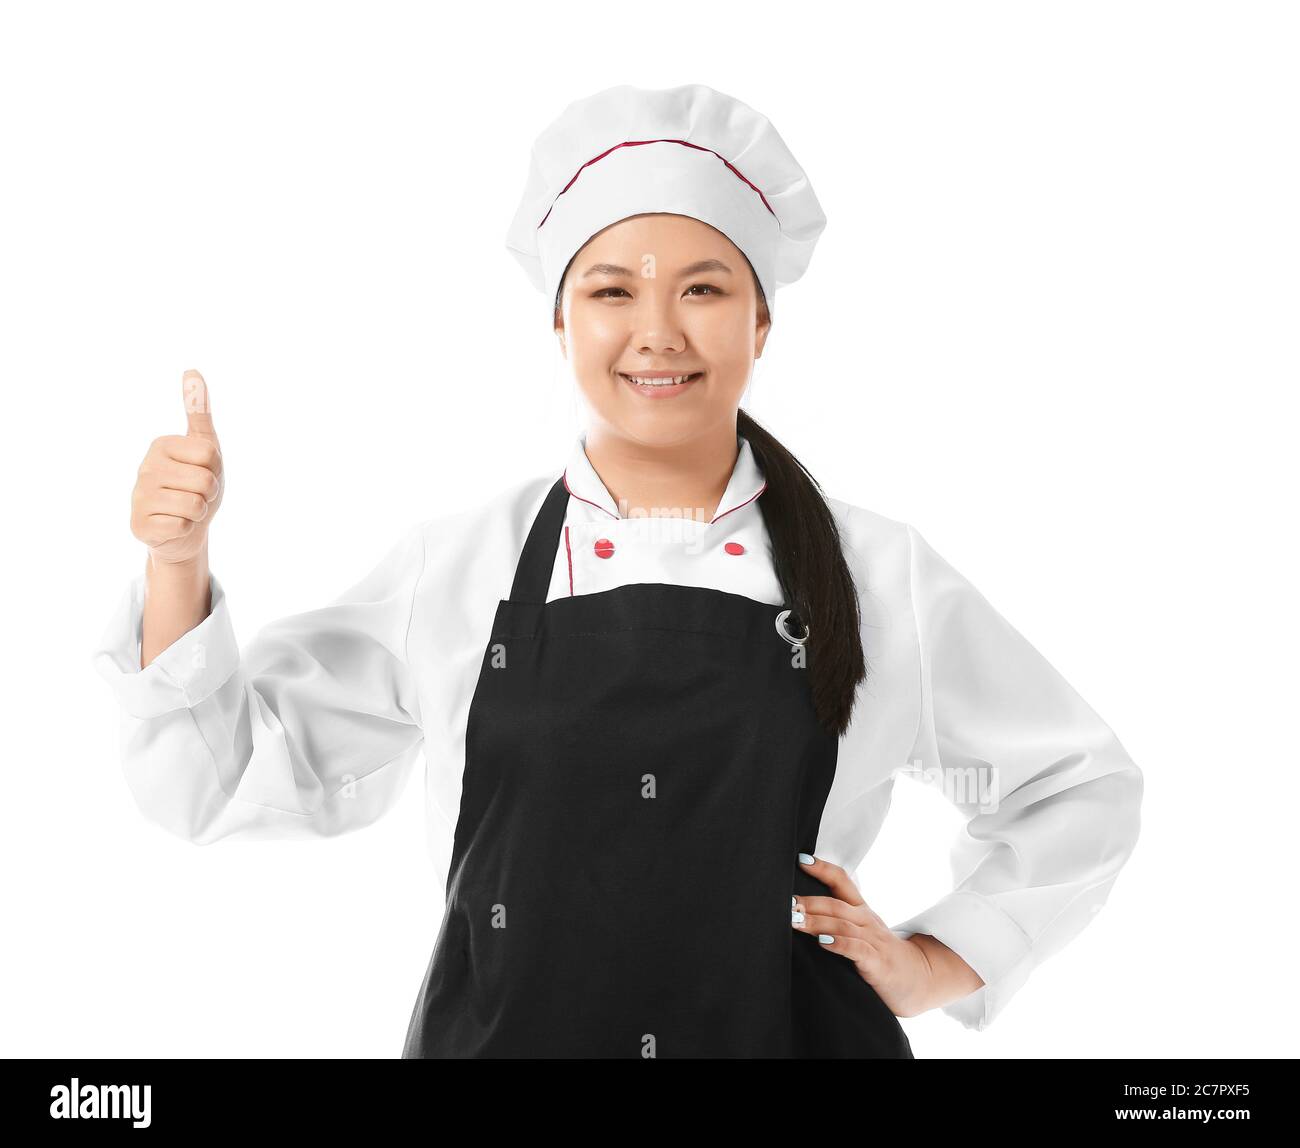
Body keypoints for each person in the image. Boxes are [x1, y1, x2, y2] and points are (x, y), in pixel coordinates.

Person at [92, 83, 1143, 1058]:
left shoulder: (876, 571)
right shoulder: (459, 564)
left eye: (702, 287)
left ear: (761, 318)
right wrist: (175, 560)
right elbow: (222, 779)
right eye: (609, 290)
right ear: (560, 318)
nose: (656, 332)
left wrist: (932, 960)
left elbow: (1076, 787)